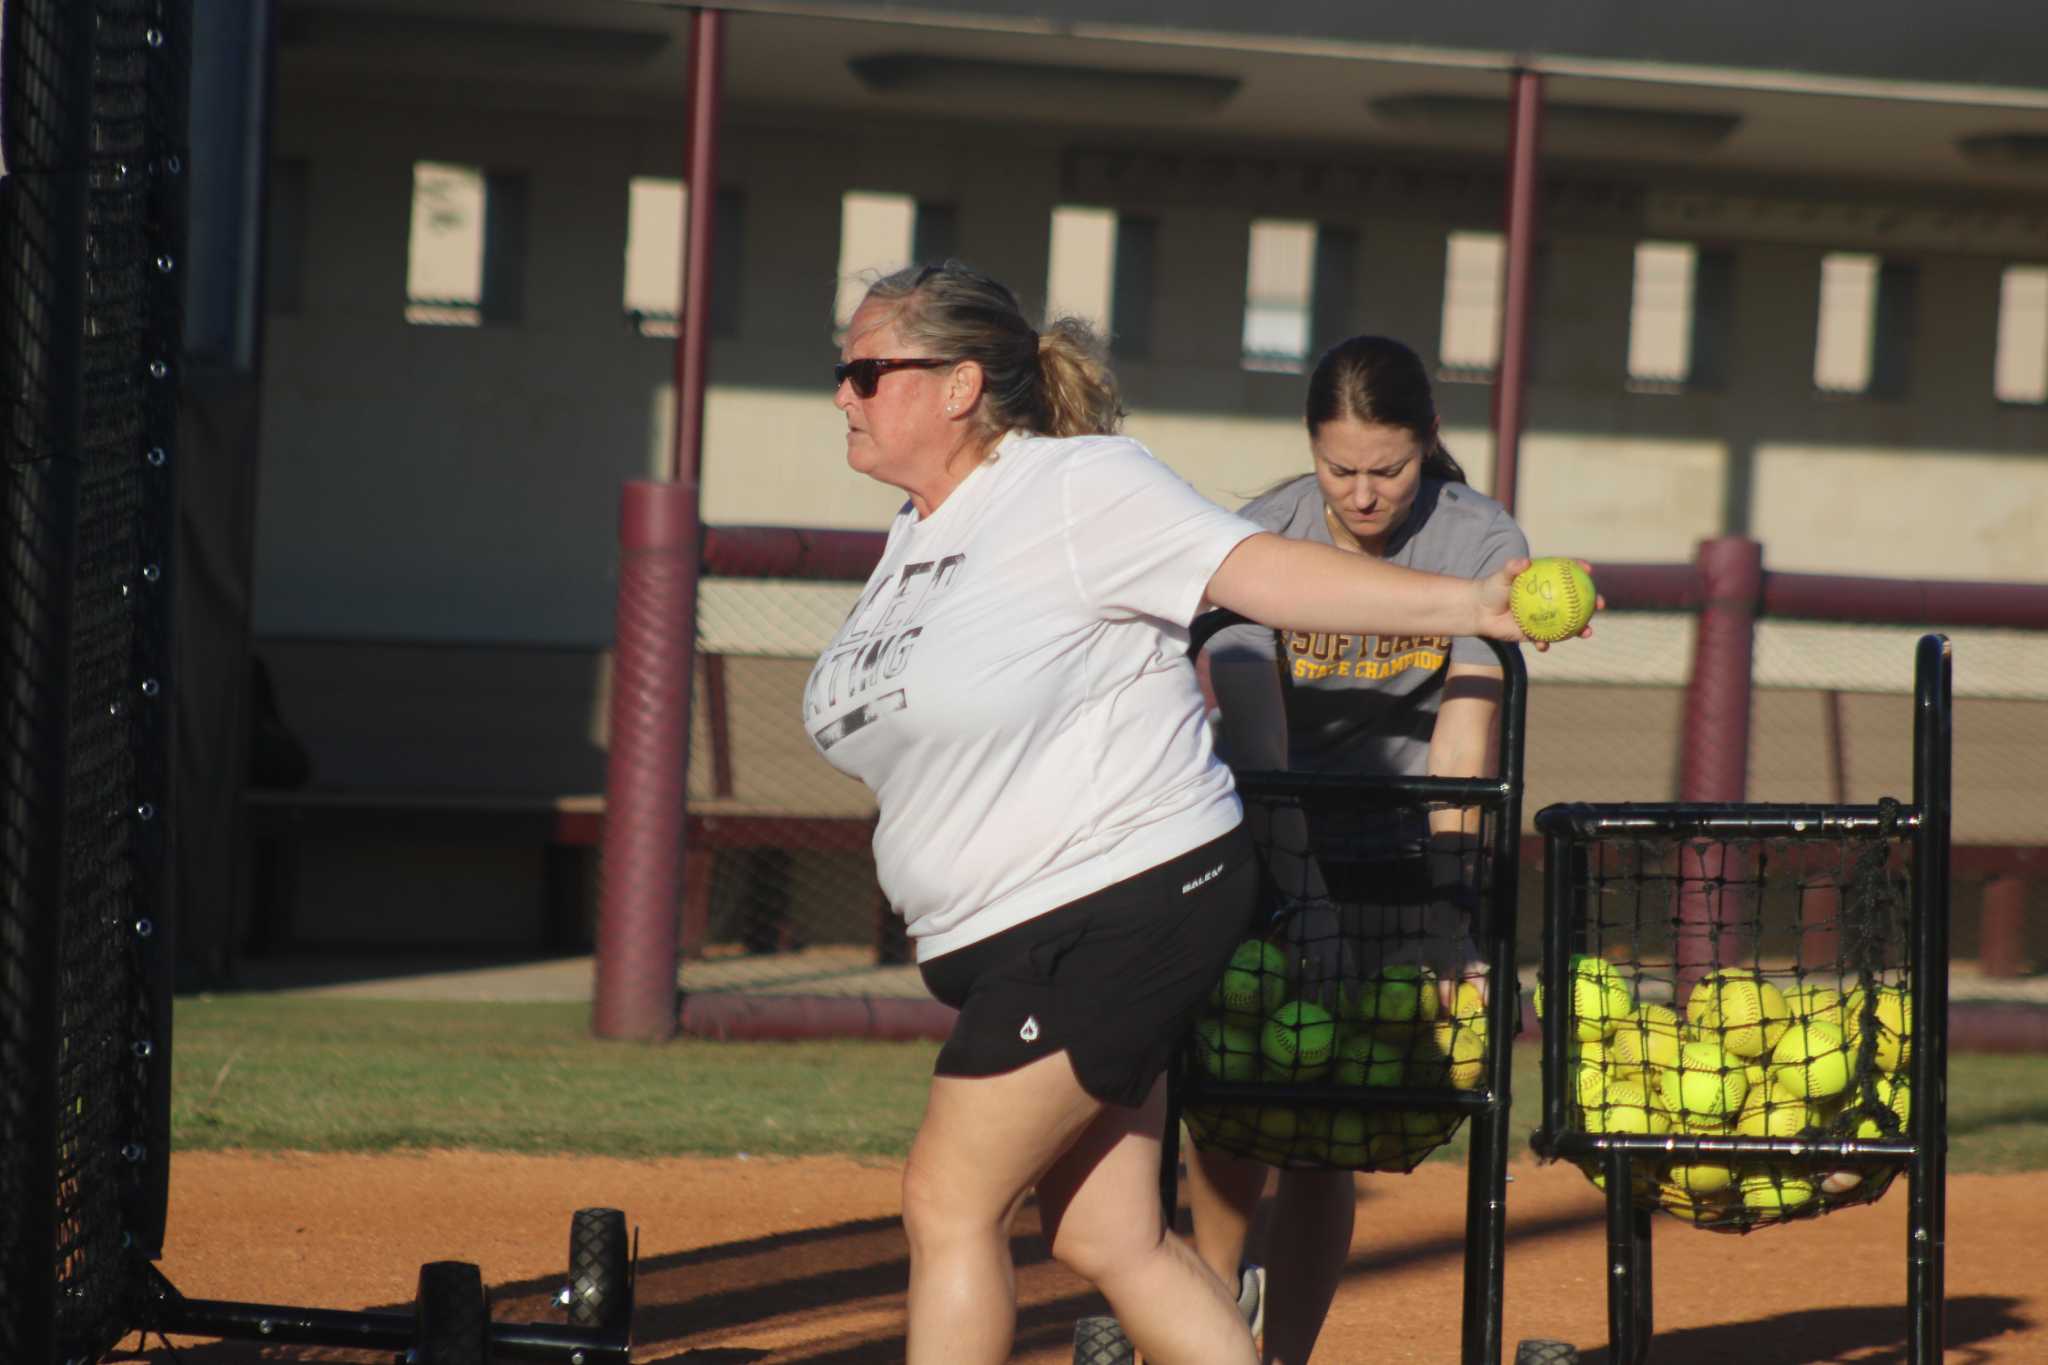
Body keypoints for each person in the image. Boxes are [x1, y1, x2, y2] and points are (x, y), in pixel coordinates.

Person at [803, 263, 1584, 1365]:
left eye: (867, 371)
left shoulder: (1074, 487)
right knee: (1108, 1235)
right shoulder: (918, 535)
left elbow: (1262, 577)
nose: (843, 392)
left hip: (1104, 905)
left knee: (947, 1202)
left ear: (959, 384)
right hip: (1020, 923)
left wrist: (1471, 604)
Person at [1182, 334, 1530, 1364]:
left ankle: (1284, 1354)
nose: (1365, 495)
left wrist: (1448, 912)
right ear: (1309, 450)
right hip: (1266, 831)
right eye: (1341, 470)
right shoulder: (1260, 536)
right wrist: (1304, 904)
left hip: (1405, 841)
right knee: (1233, 1103)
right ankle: (1208, 1315)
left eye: (1390, 468)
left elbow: (1464, 735)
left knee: (1328, 1120)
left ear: (1428, 443)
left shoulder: (1477, 536)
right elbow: (1257, 739)